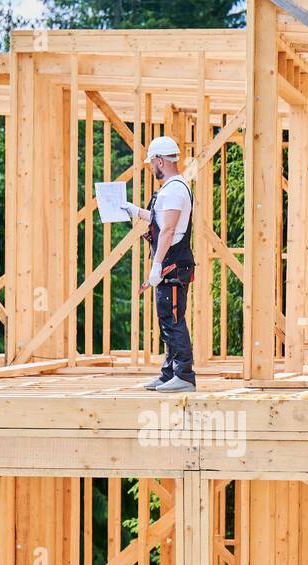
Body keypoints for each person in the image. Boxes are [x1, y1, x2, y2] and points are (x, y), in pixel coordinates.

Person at [121, 135, 196, 392]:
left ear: (161, 161)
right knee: (167, 319)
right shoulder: (171, 189)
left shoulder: (175, 189)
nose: (151, 167)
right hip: (170, 265)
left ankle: (184, 375)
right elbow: (160, 220)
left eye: (152, 162)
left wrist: (157, 264)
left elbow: (168, 231)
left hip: (172, 266)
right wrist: (135, 211)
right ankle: (169, 374)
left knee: (173, 319)